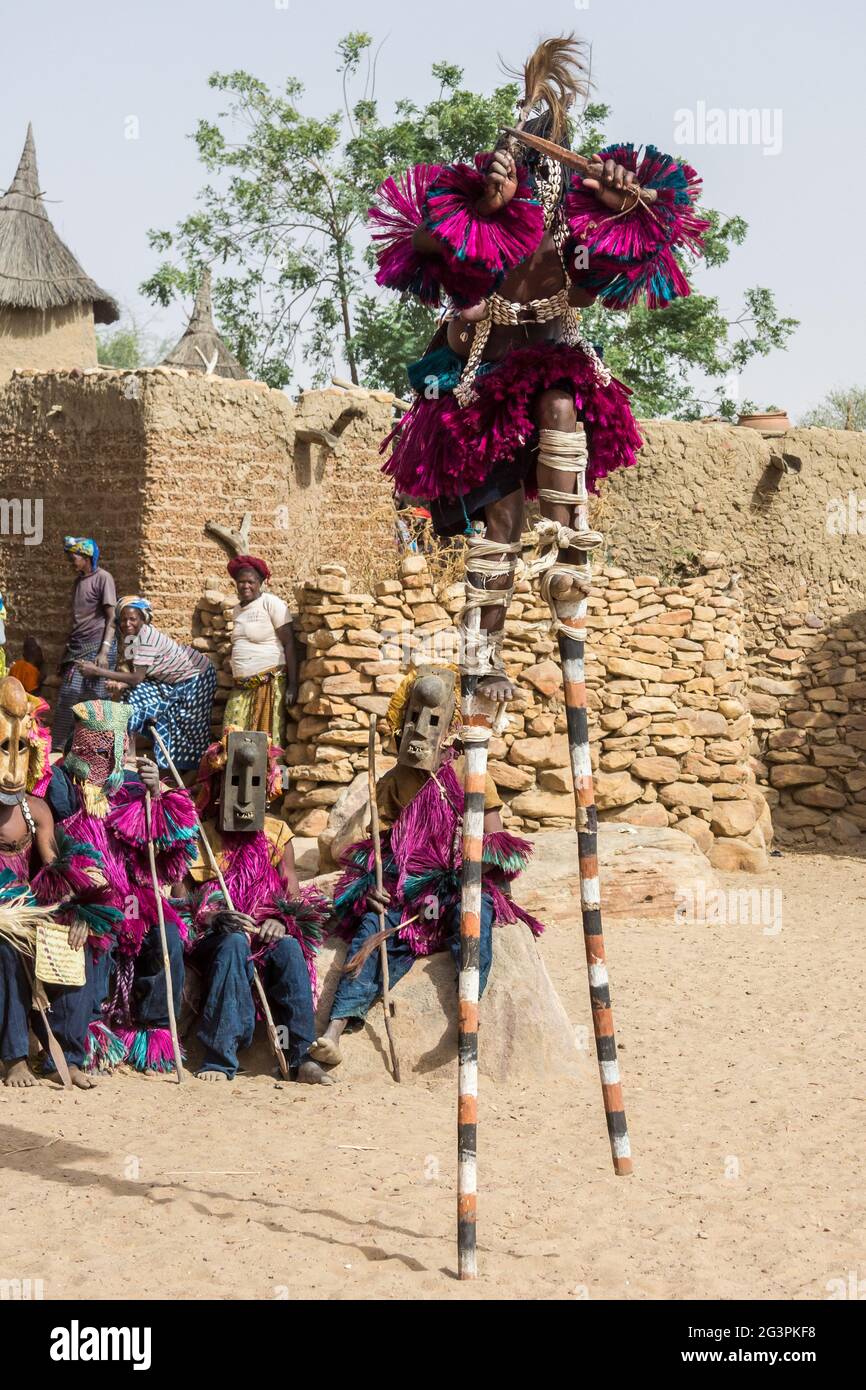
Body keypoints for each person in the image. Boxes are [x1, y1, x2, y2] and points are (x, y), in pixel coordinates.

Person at [369, 34, 707, 700]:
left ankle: (567, 551)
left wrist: (627, 206)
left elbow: (638, 255)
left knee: (559, 404)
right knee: (499, 526)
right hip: (475, 396)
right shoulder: (478, 226)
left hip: (552, 381)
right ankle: (481, 656)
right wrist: (481, 209)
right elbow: (422, 242)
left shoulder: (578, 239)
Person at [311, 666, 545, 1069]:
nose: (420, 730)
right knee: (372, 932)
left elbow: (496, 842)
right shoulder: (394, 782)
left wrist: (478, 878)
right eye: (413, 719)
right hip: (409, 892)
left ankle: (467, 1019)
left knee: (473, 923)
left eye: (432, 720)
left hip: (458, 885)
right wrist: (375, 884)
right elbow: (379, 849)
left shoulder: (471, 773)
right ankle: (333, 1031)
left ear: (450, 724)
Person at [46, 699, 198, 1073]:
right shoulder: (60, 784)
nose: (99, 755)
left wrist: (157, 795)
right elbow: (55, 848)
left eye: (108, 746)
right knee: (98, 933)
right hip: (85, 893)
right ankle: (90, 1036)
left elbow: (165, 847)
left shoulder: (130, 786)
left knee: (167, 934)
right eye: (91, 745)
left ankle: (153, 1032)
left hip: (132, 894)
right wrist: (80, 897)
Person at [177, 730, 331, 1085]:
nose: (246, 795)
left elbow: (293, 895)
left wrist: (280, 918)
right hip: (213, 939)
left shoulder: (278, 834)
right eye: (235, 782)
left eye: (255, 782)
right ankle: (219, 1056)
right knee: (232, 944)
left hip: (262, 935)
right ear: (217, 786)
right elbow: (180, 901)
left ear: (268, 786)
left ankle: (298, 1055)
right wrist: (213, 917)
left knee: (290, 948)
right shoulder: (200, 836)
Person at [0, 676, 113, 1089]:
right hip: (4, 919)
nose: (11, 760)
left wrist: (79, 907)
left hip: (28, 909)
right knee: (7, 949)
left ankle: (66, 1052)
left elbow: (53, 865)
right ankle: (13, 1056)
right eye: (2, 748)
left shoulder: (36, 809)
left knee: (78, 939)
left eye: (20, 748)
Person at [77, 595, 216, 773]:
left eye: (133, 619)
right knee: (130, 697)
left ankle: (194, 770)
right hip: (169, 680)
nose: (128, 623)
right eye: (124, 619)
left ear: (143, 619)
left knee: (189, 725)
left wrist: (97, 671)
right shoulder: (130, 638)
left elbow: (137, 678)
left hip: (197, 677)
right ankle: (130, 752)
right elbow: (134, 672)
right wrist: (121, 684)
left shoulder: (146, 637)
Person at [223, 555, 298, 749]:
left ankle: (270, 780)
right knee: (232, 736)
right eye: (241, 582)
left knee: (266, 740)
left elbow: (290, 644)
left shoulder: (271, 604)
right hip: (241, 685)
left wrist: (293, 685)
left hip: (268, 684)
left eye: (251, 581)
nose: (245, 586)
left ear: (261, 583)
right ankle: (237, 780)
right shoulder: (237, 610)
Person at [52, 537, 117, 751]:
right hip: (78, 648)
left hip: (97, 647)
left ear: (87, 557)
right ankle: (60, 747)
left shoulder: (103, 578)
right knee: (68, 696)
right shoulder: (78, 582)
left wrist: (104, 651)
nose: (71, 561)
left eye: (75, 557)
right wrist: (65, 654)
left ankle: (99, 748)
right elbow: (76, 621)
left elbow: (112, 618)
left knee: (97, 698)